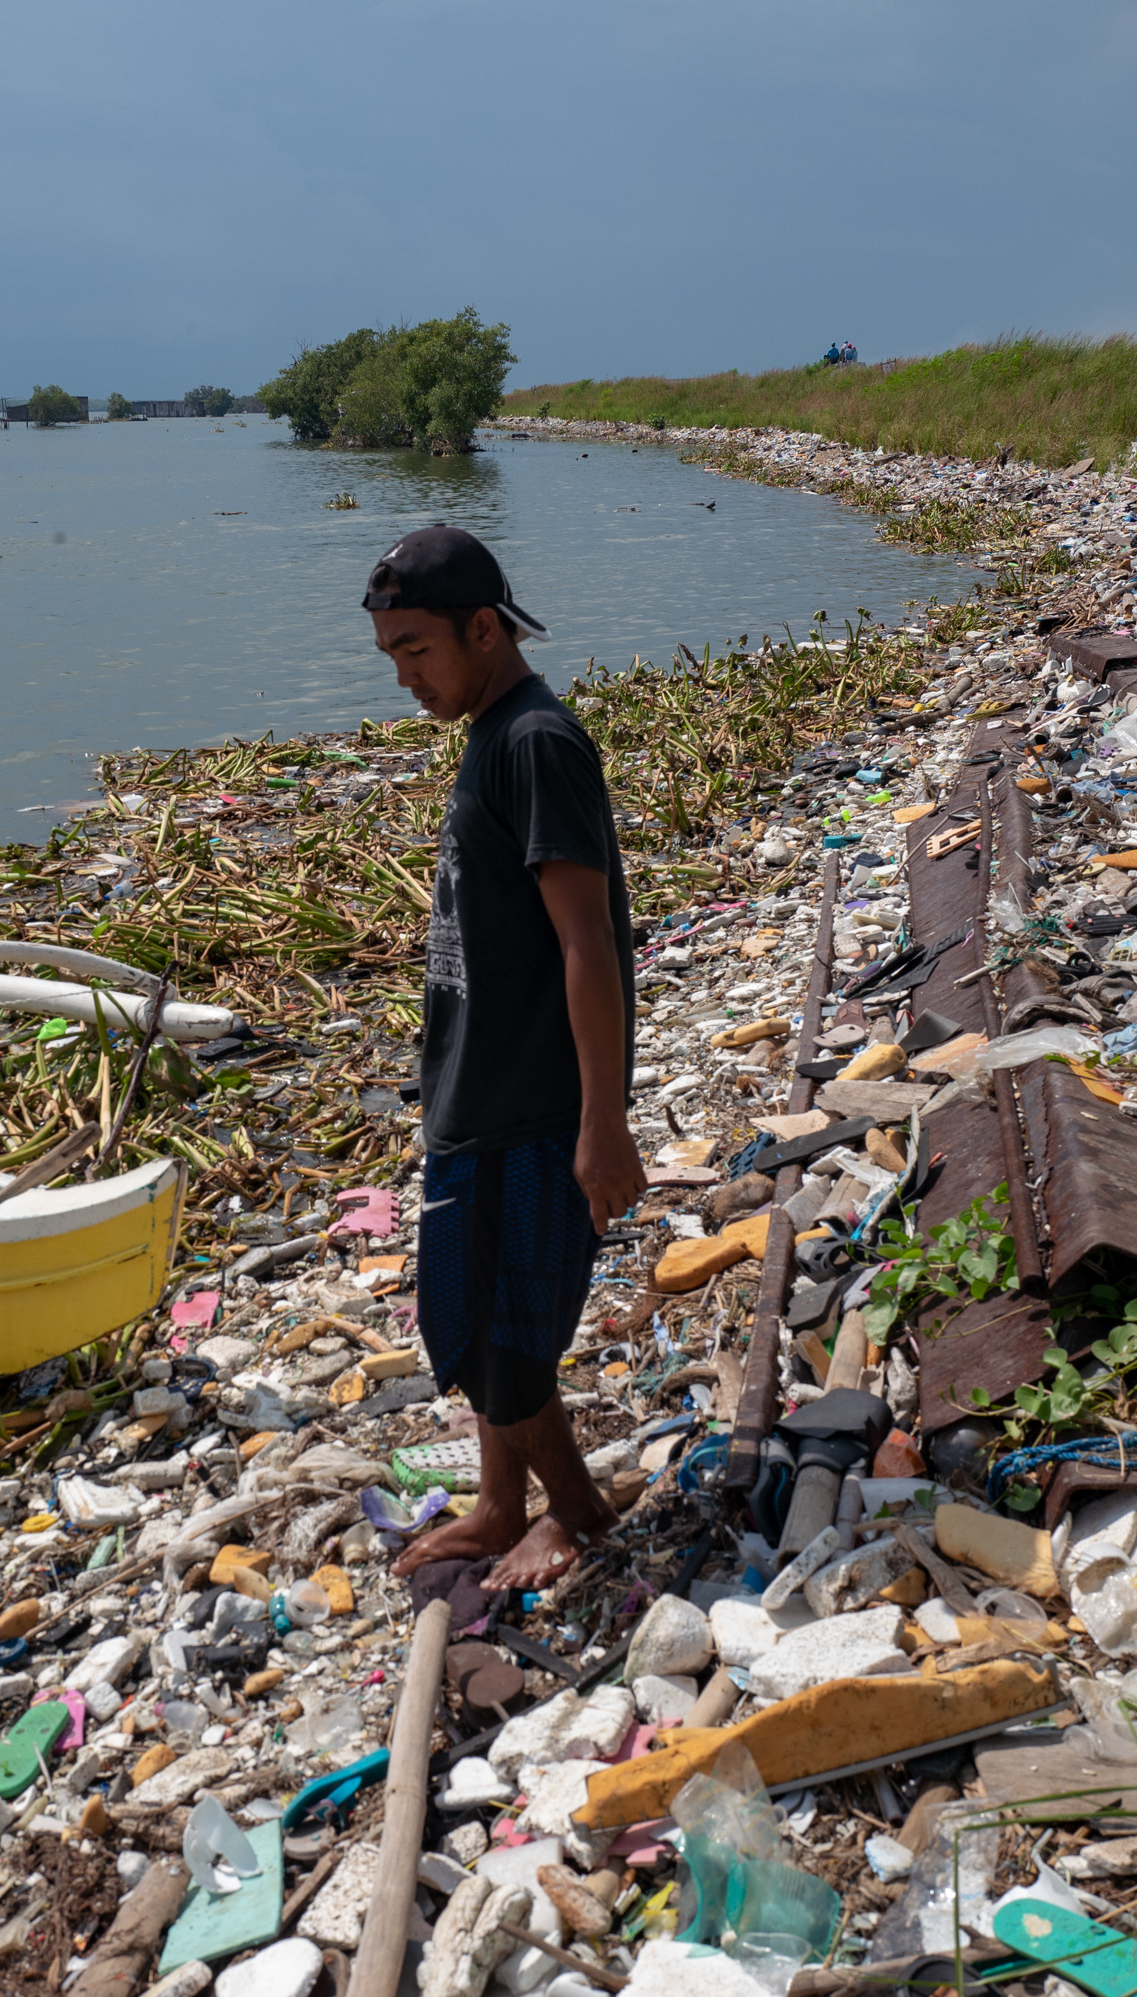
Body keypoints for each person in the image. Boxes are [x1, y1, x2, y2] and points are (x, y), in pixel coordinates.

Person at [365, 526, 647, 1592]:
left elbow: (591, 943)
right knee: (475, 1314)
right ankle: (499, 1504)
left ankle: (576, 1513)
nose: (405, 674)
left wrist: (601, 1121)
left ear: (485, 628)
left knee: (500, 1336)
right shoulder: (492, 734)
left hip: (529, 1104)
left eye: (419, 649)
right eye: (391, 653)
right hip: (472, 1092)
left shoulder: (535, 742)